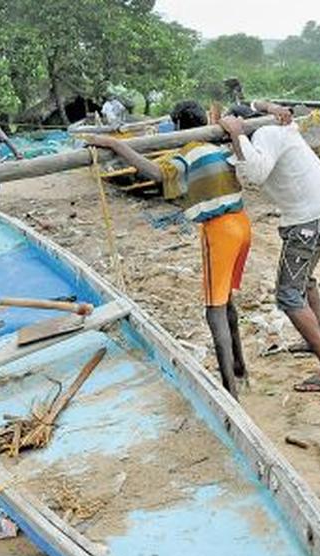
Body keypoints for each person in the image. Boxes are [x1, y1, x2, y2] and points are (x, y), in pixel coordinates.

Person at [86, 101, 252, 398]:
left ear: (177, 126)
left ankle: (231, 390)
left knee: (213, 311)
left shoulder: (187, 153)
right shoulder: (216, 144)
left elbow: (155, 173)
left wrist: (114, 144)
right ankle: (239, 365)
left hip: (219, 231)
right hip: (242, 224)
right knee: (226, 299)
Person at [220, 105, 320, 393]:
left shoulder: (265, 133)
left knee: (289, 295)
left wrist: (237, 135)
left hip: (310, 220)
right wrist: (264, 108)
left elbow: (255, 173)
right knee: (305, 282)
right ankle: (318, 340)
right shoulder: (276, 126)